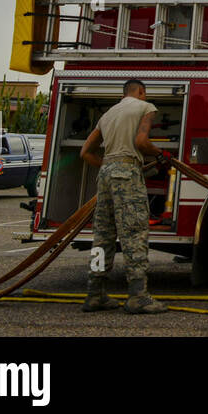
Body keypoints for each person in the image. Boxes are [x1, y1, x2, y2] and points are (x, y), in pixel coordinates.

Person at [79, 79, 169, 314]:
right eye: (143, 92)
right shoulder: (145, 107)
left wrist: (109, 166)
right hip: (127, 175)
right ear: (140, 92)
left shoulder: (107, 115)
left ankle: (94, 293)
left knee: (102, 236)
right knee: (134, 233)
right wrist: (160, 153)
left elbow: (85, 152)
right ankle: (138, 295)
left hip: (105, 175)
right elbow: (141, 141)